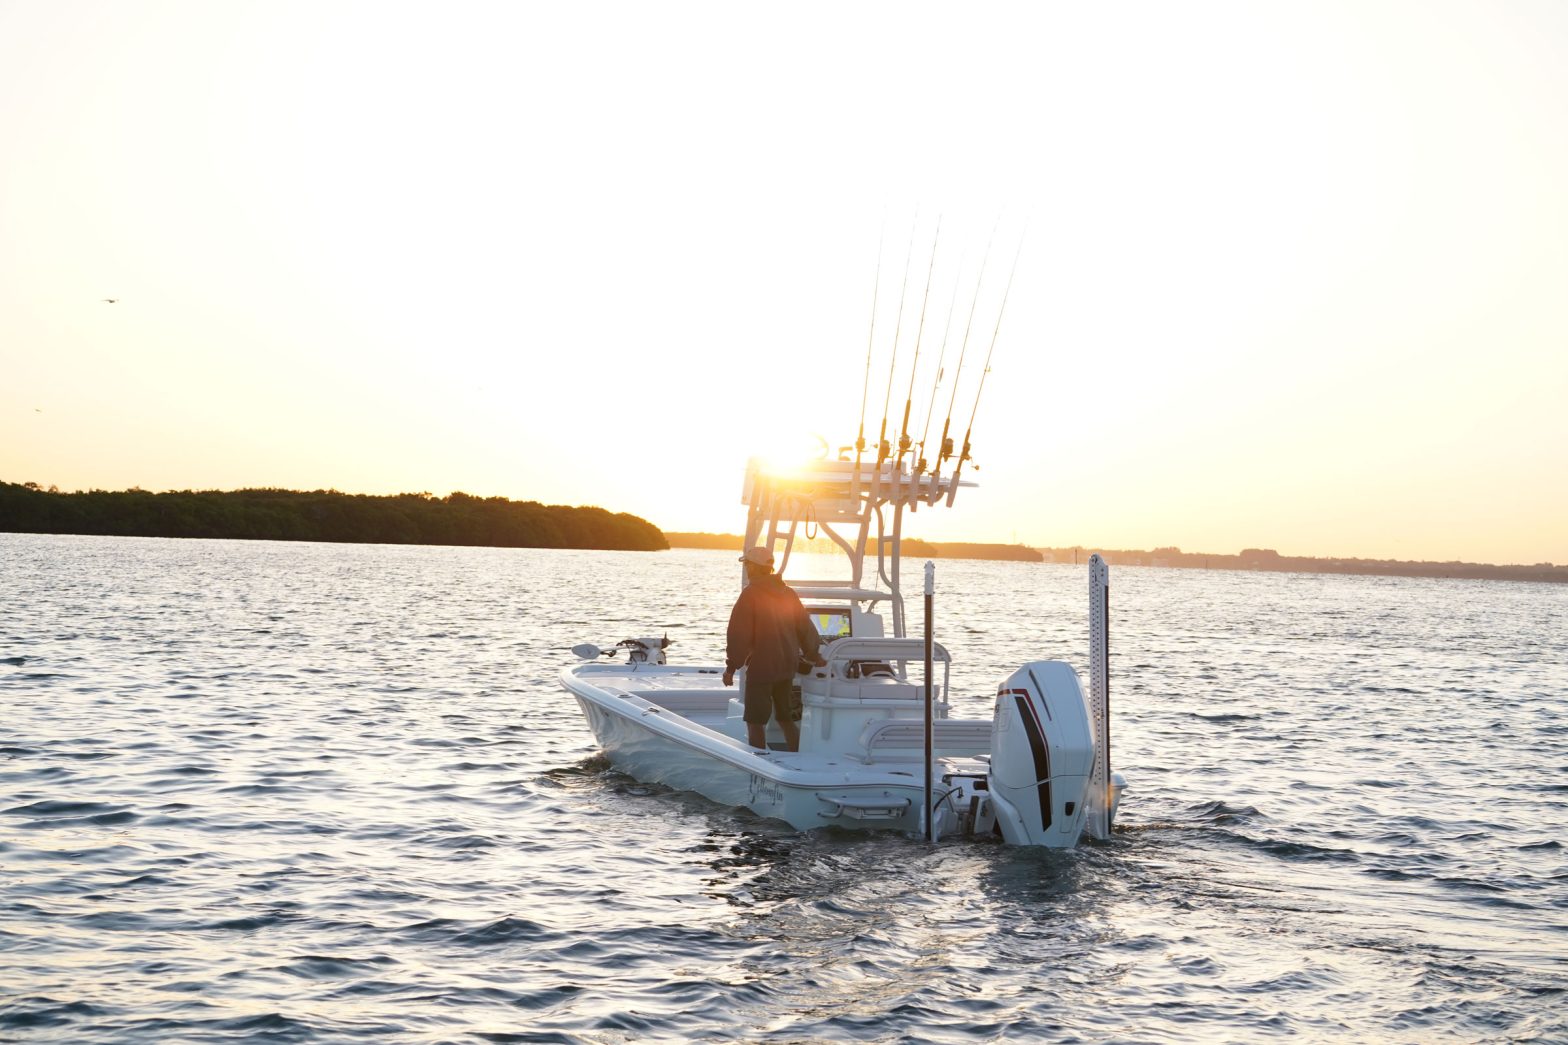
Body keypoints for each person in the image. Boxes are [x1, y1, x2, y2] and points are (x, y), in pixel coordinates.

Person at [723, 545, 824, 752]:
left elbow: (738, 635)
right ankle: (796, 758)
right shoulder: (788, 593)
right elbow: (805, 627)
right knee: (786, 719)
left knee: (755, 721)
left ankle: (759, 762)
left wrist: (732, 667)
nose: (746, 569)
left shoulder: (750, 594)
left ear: (754, 567)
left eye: (748, 564)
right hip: (787, 666)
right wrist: (815, 655)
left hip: (762, 668)